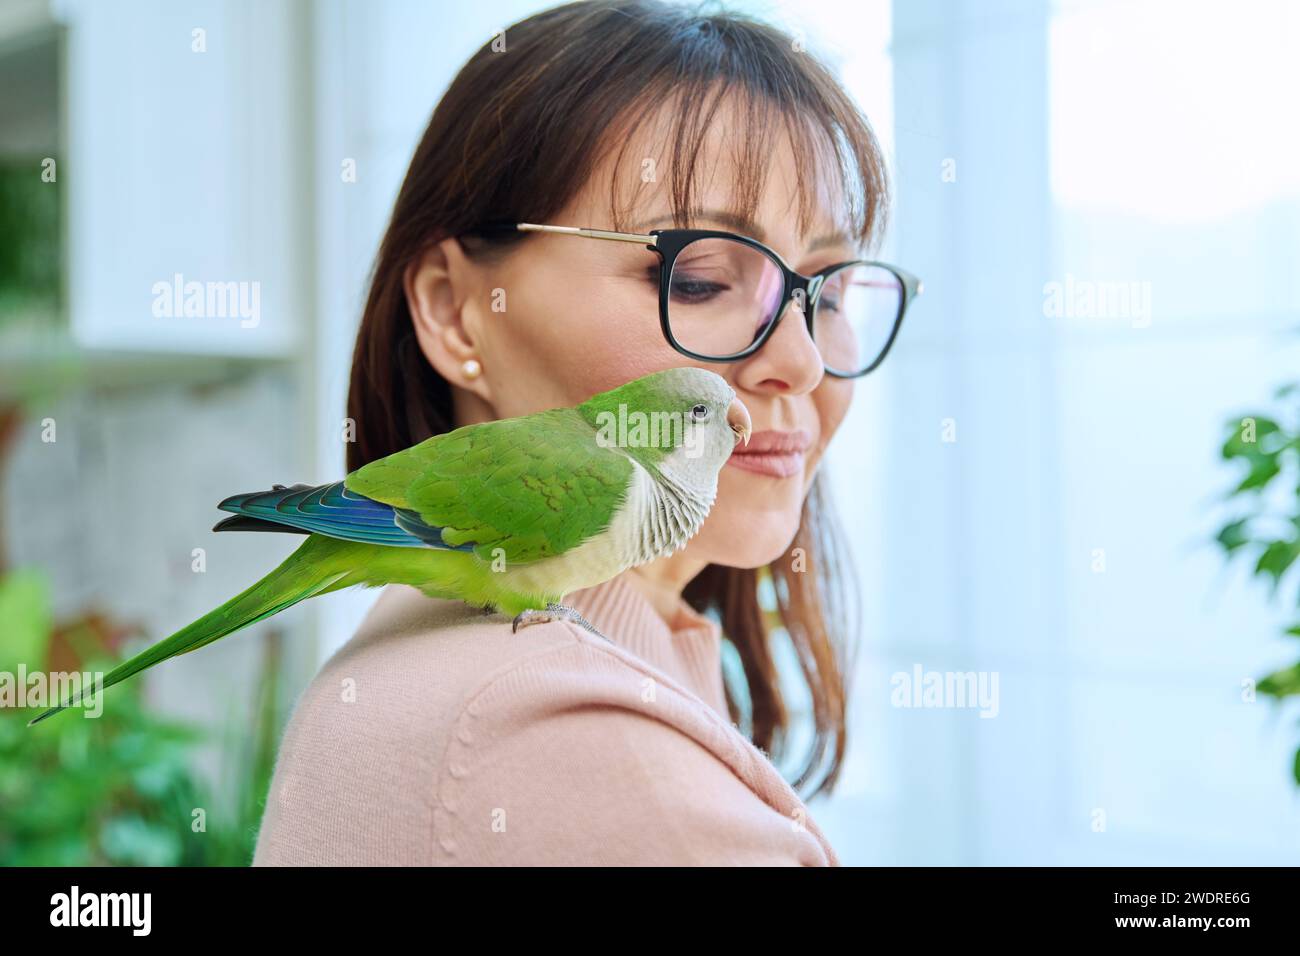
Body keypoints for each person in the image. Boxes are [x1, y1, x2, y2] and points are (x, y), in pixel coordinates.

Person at [254, 0, 918, 866]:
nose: (797, 360)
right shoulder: (549, 726)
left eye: (826, 296)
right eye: (702, 279)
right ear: (457, 312)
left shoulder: (546, 675)